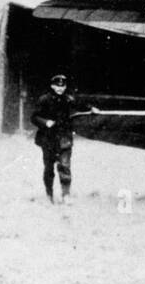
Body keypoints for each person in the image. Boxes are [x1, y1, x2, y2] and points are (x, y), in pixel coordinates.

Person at [30, 74, 98, 204]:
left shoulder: (68, 99)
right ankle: (49, 195)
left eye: (63, 86)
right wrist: (45, 122)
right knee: (49, 168)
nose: (60, 88)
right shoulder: (44, 100)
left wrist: (91, 108)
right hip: (48, 139)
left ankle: (65, 195)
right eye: (57, 86)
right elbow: (34, 117)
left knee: (65, 167)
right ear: (52, 86)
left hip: (64, 138)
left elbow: (79, 105)